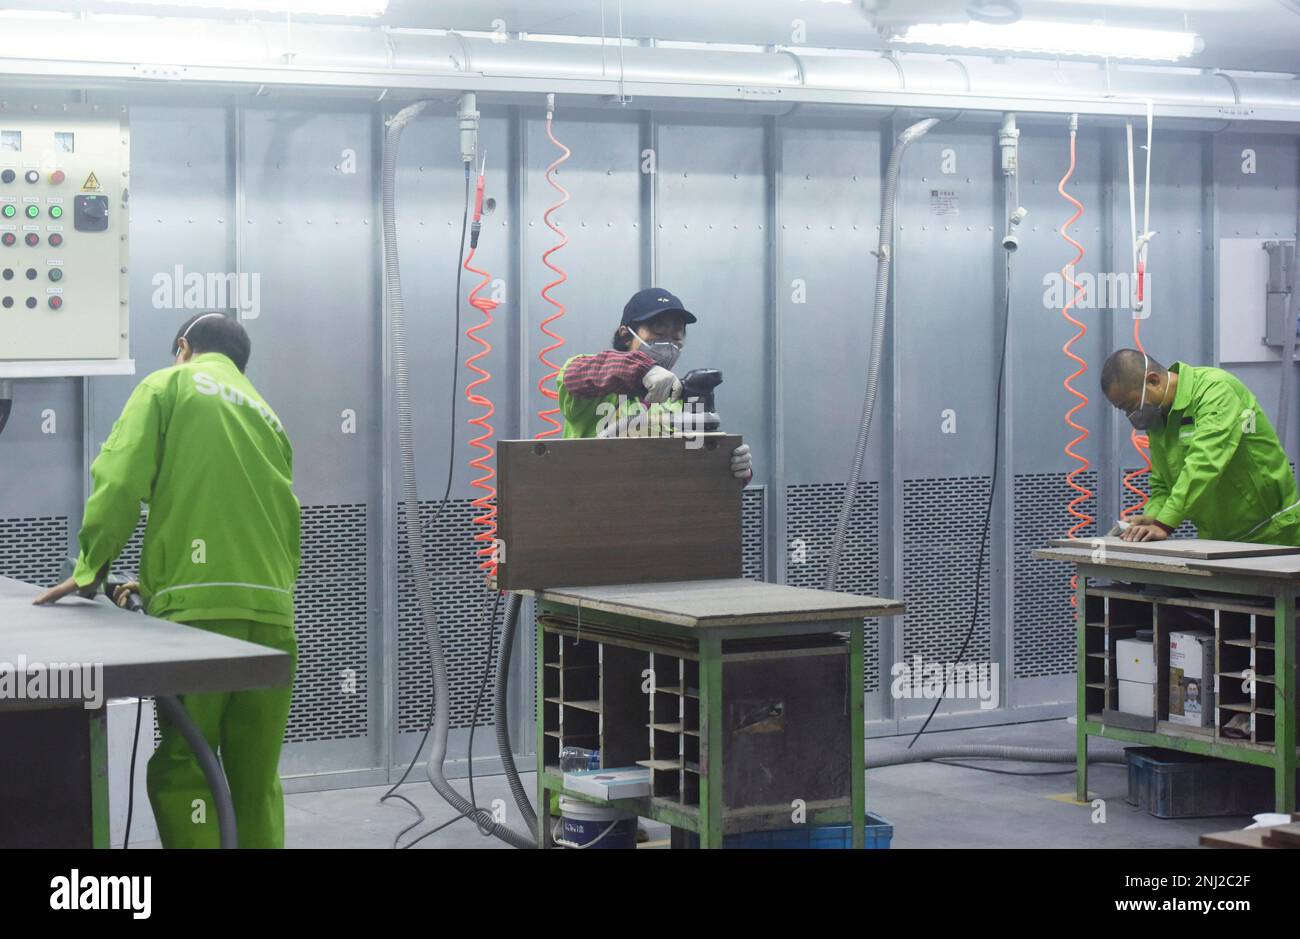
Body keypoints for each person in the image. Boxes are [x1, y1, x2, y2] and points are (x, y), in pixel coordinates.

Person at [33, 311, 301, 849]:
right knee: (256, 779)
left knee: (187, 767)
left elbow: (119, 480)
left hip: (200, 617)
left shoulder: (169, 384)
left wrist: (90, 569)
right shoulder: (268, 416)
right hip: (274, 614)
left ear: (184, 347)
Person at [1100, 348, 1300, 546]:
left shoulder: (1215, 390)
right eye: (1124, 410)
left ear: (1153, 381)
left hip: (1273, 531)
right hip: (1218, 538)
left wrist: (1164, 523)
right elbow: (1162, 482)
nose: (1132, 415)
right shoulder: (1160, 418)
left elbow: (1205, 462)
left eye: (1132, 405)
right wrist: (1153, 516)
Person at [556, 287, 752, 480]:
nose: (668, 345)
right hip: (590, 504)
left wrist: (734, 469)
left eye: (676, 337)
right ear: (626, 335)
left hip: (657, 507)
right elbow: (575, 374)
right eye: (658, 333)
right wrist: (643, 370)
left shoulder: (680, 402)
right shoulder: (594, 384)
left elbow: (698, 470)